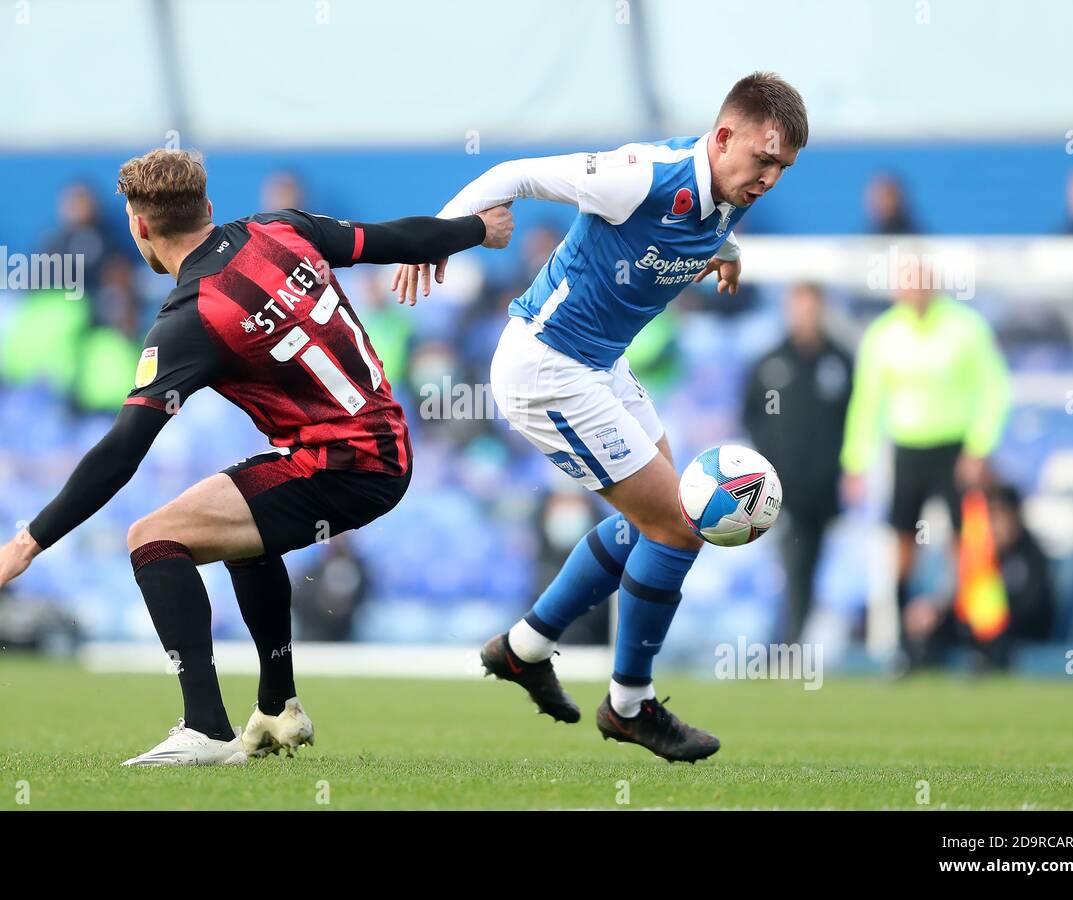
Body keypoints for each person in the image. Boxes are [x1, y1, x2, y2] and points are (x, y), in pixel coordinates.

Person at [0, 148, 513, 766]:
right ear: (209, 209)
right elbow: (392, 238)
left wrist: (26, 542)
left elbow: (121, 451)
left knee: (152, 538)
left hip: (346, 462)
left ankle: (205, 728)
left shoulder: (190, 320)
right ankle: (277, 707)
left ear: (138, 227)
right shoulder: (280, 230)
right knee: (238, 522)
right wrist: (475, 230)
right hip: (376, 445)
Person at [394, 71, 808, 763]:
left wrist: (727, 255)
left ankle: (525, 648)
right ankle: (629, 707)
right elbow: (514, 174)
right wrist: (436, 236)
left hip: (600, 365)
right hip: (546, 367)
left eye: (783, 168)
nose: (769, 178)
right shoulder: (639, 175)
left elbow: (709, 225)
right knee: (678, 526)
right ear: (724, 135)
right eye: (763, 160)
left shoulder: (732, 190)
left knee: (655, 520)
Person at [840, 269, 1011, 671]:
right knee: (901, 548)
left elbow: (994, 387)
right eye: (905, 281)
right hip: (907, 451)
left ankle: (980, 643)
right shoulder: (883, 334)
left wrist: (980, 446)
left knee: (968, 547)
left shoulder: (965, 329)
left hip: (955, 452)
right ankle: (907, 645)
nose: (912, 289)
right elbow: (867, 402)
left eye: (919, 280)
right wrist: (856, 462)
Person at [742, 283, 852, 643]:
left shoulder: (840, 361)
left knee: (812, 564)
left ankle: (794, 642)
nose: (804, 316)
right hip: (779, 486)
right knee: (790, 562)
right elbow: (750, 416)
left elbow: (856, 416)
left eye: (811, 308)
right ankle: (786, 642)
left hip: (824, 486)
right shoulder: (771, 362)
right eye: (798, 308)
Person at [902, 483, 1054, 671]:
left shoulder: (1030, 554)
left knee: (989, 628)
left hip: (1014, 632)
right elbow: (963, 595)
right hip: (978, 624)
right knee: (929, 619)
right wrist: (936, 610)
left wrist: (993, 614)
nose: (997, 526)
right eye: (992, 517)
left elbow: (1031, 606)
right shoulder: (979, 551)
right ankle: (913, 659)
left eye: (1002, 516)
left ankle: (984, 662)